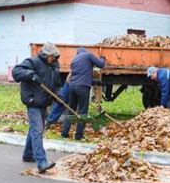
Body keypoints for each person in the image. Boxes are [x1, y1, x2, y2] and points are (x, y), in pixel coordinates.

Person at [12, 42, 61, 173]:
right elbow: (16, 72)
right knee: (38, 130)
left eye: (55, 56)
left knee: (34, 129)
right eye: (51, 56)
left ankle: (28, 155)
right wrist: (31, 75)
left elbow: (56, 85)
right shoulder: (33, 62)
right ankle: (42, 162)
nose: (53, 59)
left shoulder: (55, 66)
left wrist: (58, 95)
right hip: (32, 101)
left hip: (44, 102)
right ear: (45, 55)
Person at [61, 48, 106, 140]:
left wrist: (96, 82)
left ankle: (64, 132)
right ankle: (78, 135)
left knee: (71, 110)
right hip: (83, 88)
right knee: (83, 111)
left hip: (72, 87)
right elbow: (101, 64)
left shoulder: (74, 60)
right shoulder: (88, 55)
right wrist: (103, 58)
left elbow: (81, 76)